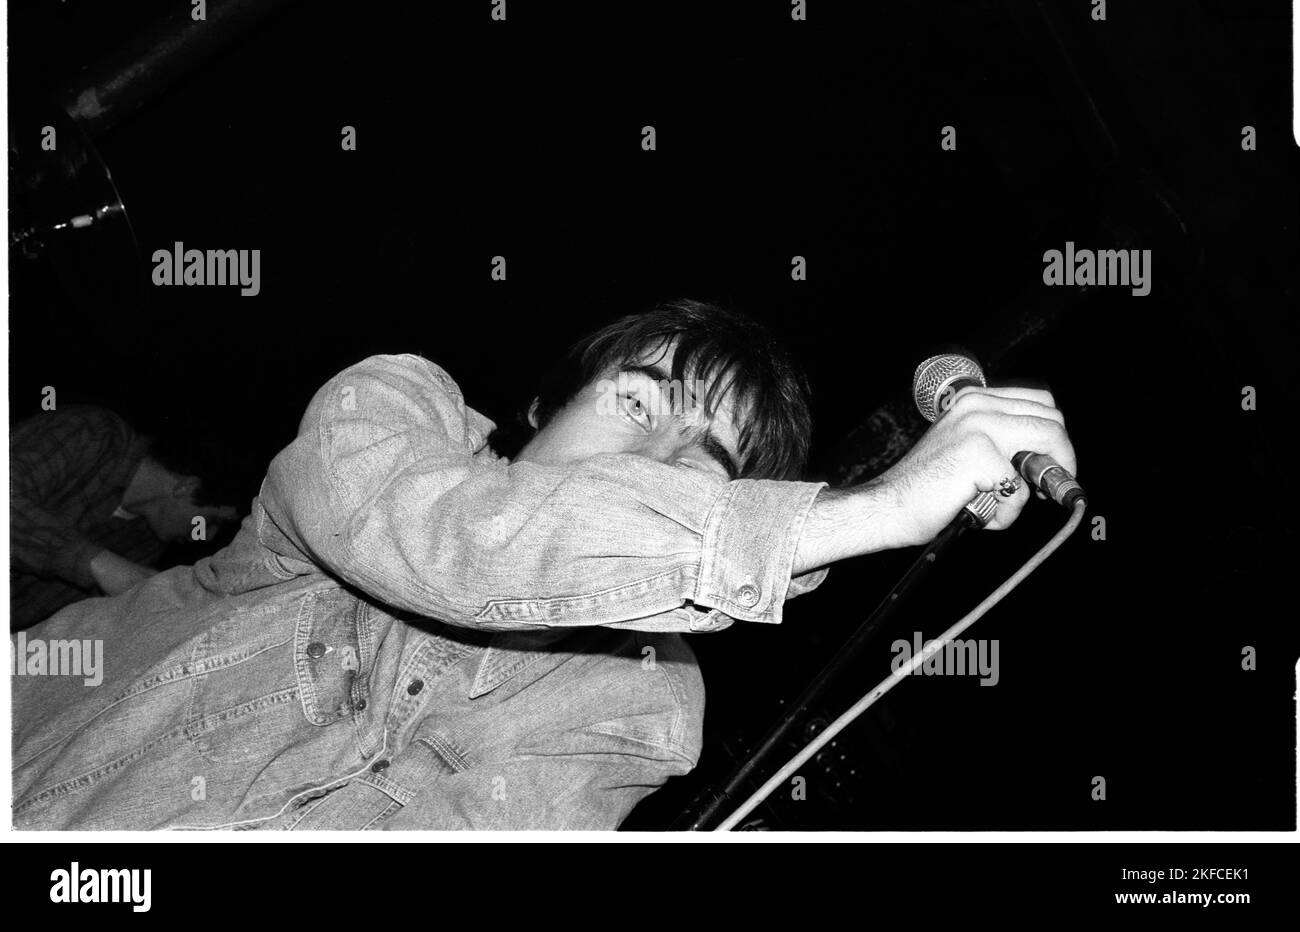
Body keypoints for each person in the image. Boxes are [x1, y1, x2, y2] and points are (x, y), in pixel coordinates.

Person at [11, 299, 1075, 829]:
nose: (650, 461)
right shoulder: (395, 407)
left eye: (696, 466)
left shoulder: (640, 707)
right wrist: (859, 515)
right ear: (540, 403)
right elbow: (454, 540)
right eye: (634, 405)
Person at [9, 406, 245, 630]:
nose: (206, 537)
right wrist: (97, 563)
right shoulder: (93, 434)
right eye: (211, 522)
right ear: (186, 488)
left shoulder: (144, 545)